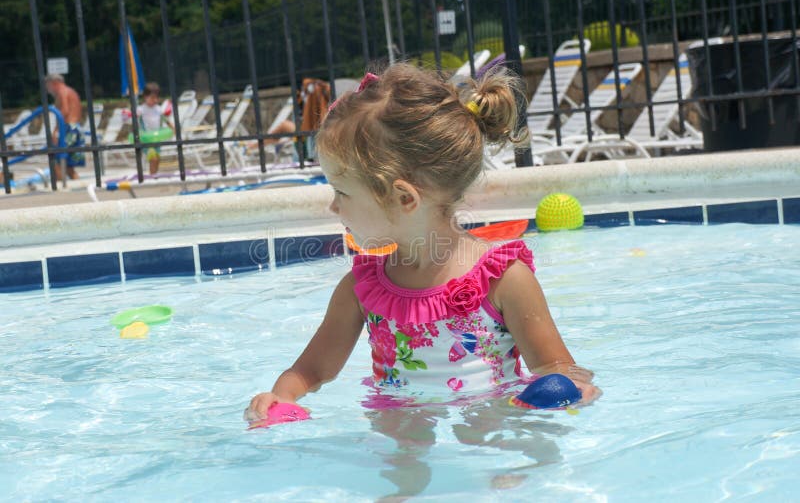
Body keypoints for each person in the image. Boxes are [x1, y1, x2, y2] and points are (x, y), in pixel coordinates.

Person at [245, 63, 600, 424]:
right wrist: (280, 396)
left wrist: (570, 386)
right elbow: (311, 370)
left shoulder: (504, 278)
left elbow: (556, 366)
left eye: (342, 192)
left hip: (489, 429)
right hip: (401, 433)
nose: (333, 206)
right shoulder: (360, 288)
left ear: (403, 199)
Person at [45, 74, 84, 181]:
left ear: (54, 83)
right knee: (67, 164)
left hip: (68, 128)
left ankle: (59, 187)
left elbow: (64, 111)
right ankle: (75, 184)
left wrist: (57, 131)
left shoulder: (62, 92)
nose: (47, 89)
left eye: (47, 85)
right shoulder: (70, 91)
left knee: (57, 158)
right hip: (75, 128)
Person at [137, 82, 174, 174]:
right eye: (152, 98)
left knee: (157, 159)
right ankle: (152, 177)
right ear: (145, 97)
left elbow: (165, 119)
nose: (155, 100)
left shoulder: (158, 109)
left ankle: (154, 175)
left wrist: (173, 128)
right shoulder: (141, 109)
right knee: (153, 159)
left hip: (157, 139)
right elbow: (133, 120)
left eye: (157, 98)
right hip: (146, 140)